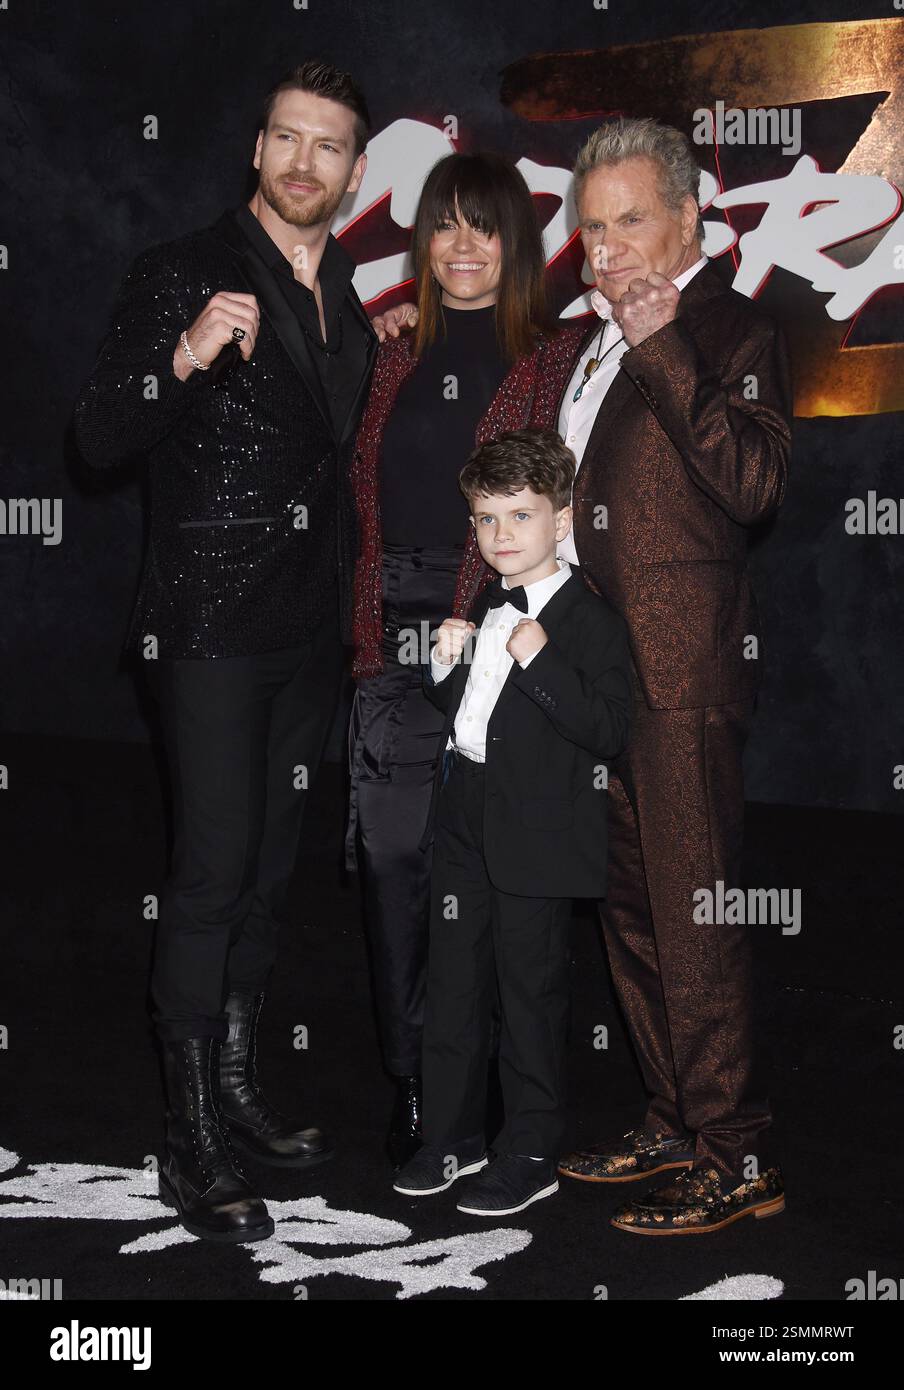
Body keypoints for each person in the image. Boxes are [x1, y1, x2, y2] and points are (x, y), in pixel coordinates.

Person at [73, 61, 378, 1243]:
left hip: (307, 631)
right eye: (289, 140)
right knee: (207, 875)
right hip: (203, 624)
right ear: (257, 148)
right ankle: (187, 1135)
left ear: (355, 169)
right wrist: (187, 354)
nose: (306, 163)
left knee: (263, 877)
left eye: (331, 147)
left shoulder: (346, 291)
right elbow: (98, 434)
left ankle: (241, 1089)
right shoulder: (181, 270)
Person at [554, 116, 791, 1234]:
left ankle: (735, 1152)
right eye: (591, 227)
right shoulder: (591, 332)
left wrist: (660, 347)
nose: (608, 247)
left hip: (683, 676)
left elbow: (750, 484)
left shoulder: (731, 327)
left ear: (691, 215)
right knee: (635, 916)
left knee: (695, 916)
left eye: (631, 220)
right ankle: (670, 1118)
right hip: (601, 679)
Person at [346, 154, 585, 1167]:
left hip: (499, 628)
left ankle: (488, 1082)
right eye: (442, 225)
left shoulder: (559, 354)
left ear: (516, 243)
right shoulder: (390, 353)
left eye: (483, 226)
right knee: (393, 856)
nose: (460, 246)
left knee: (493, 868)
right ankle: (417, 1082)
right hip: (391, 636)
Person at [390, 427, 633, 1215]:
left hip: (538, 830)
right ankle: (452, 1137)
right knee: (454, 985)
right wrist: (444, 665)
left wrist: (542, 658)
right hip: (465, 814)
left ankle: (529, 1147)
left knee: (529, 995)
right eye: (486, 520)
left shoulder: (589, 620)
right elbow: (467, 716)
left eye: (520, 517)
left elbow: (609, 729)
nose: (501, 536)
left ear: (561, 521)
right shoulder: (486, 599)